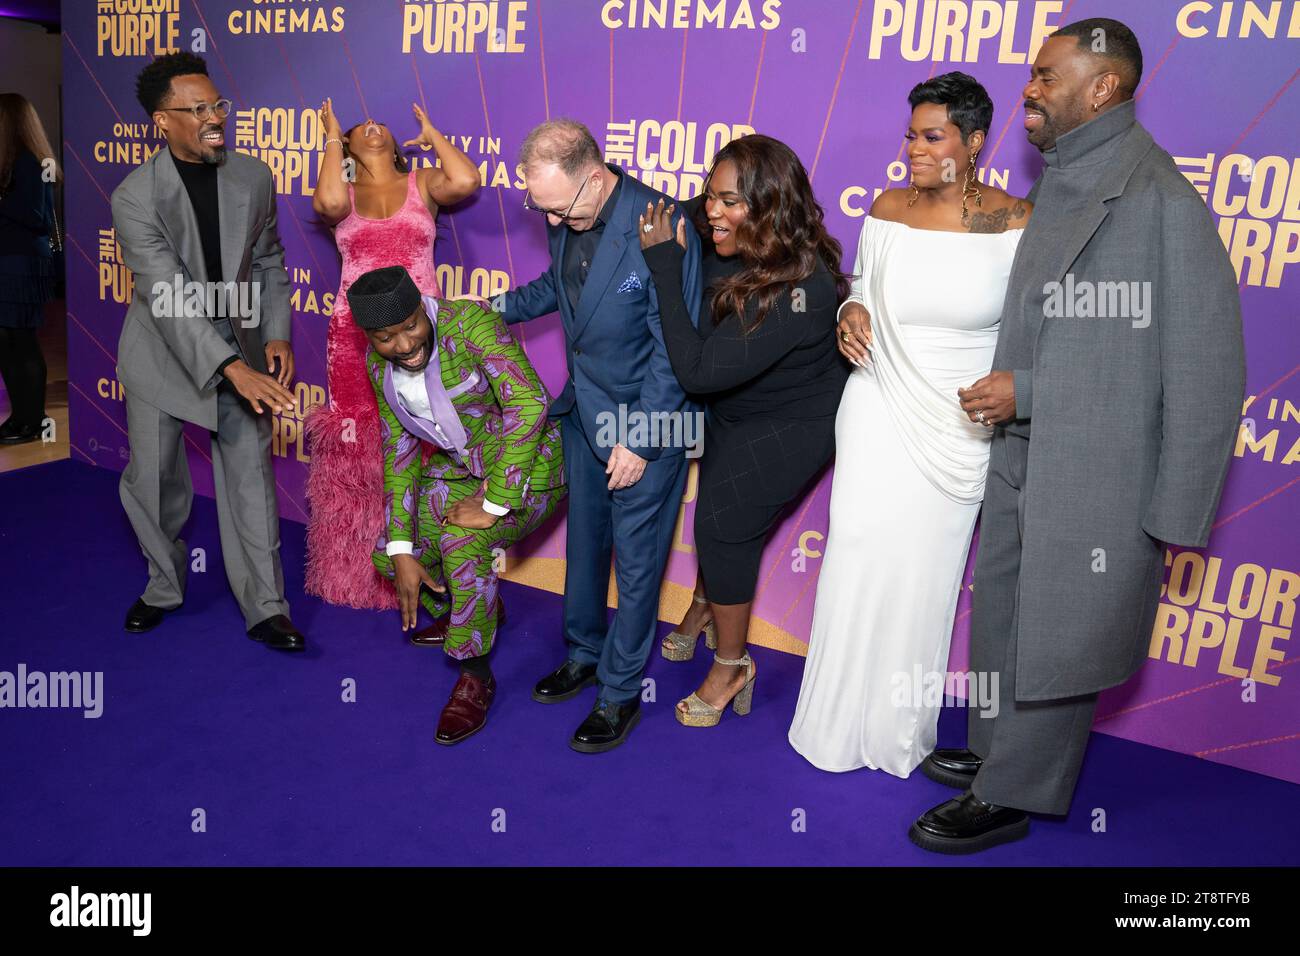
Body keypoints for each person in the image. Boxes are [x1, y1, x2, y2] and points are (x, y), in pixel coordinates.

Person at [904, 19, 1245, 853]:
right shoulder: (1067, 175)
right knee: (1007, 621)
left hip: (1098, 473)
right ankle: (995, 752)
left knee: (1060, 631)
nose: (1029, 89)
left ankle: (1015, 792)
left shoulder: (1162, 200)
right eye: (1031, 74)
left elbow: (1204, 373)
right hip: (1022, 456)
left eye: (1047, 76)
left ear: (1105, 89)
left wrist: (1174, 515)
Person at [788, 75, 1030, 775]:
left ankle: (897, 728)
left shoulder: (1014, 223)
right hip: (874, 403)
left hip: (956, 422)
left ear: (975, 142)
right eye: (910, 134)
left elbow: (1033, 327)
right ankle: (831, 721)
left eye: (932, 137)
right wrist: (849, 313)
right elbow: (863, 287)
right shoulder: (890, 206)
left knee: (925, 572)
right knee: (857, 550)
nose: (914, 149)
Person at [499, 119, 702, 753]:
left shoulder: (662, 226)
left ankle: (618, 693)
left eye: (560, 209)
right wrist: (486, 310)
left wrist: (639, 440)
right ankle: (583, 653)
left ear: (594, 178)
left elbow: (677, 349)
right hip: (584, 413)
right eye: (542, 210)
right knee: (585, 545)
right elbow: (560, 292)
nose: (552, 223)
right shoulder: (568, 212)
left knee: (637, 567)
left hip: (645, 422)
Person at [637, 134, 850, 726]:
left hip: (791, 424)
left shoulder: (800, 287)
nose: (711, 212)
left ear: (770, 206)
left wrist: (664, 269)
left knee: (723, 526)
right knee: (716, 523)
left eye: (729, 202)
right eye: (710, 196)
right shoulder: (729, 235)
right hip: (737, 408)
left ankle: (732, 664)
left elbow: (700, 371)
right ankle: (707, 603)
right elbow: (667, 209)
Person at [112, 52, 307, 650]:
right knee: (156, 483)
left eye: (217, 104)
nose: (214, 117)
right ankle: (163, 587)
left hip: (243, 346)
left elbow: (269, 259)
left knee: (250, 477)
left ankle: (267, 608)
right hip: (162, 357)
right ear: (161, 121)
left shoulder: (252, 175)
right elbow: (166, 295)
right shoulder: (135, 197)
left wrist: (274, 331)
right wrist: (230, 369)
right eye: (196, 110)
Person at [347, 265, 565, 744]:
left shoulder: (469, 323)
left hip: (529, 467)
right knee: (391, 551)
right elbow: (399, 451)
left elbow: (529, 402)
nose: (404, 345)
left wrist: (495, 502)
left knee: (463, 542)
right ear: (369, 336)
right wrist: (403, 546)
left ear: (423, 308)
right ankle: (477, 604)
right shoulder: (376, 364)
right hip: (463, 468)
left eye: (411, 326)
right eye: (386, 337)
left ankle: (475, 674)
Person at [305, 97, 480, 610]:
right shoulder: (347, 189)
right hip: (355, 337)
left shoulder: (424, 182)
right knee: (357, 450)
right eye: (362, 128)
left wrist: (435, 136)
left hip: (418, 333)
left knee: (420, 440)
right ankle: (354, 574)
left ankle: (423, 569)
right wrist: (333, 138)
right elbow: (328, 206)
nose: (374, 126)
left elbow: (465, 181)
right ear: (348, 146)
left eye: (381, 123)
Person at [0, 92, 57, 445]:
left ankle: (33, 420)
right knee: (7, 343)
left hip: (23, 264)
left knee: (22, 342)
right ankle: (19, 417)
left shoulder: (32, 162)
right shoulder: (11, 162)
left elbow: (35, 217)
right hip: (9, 262)